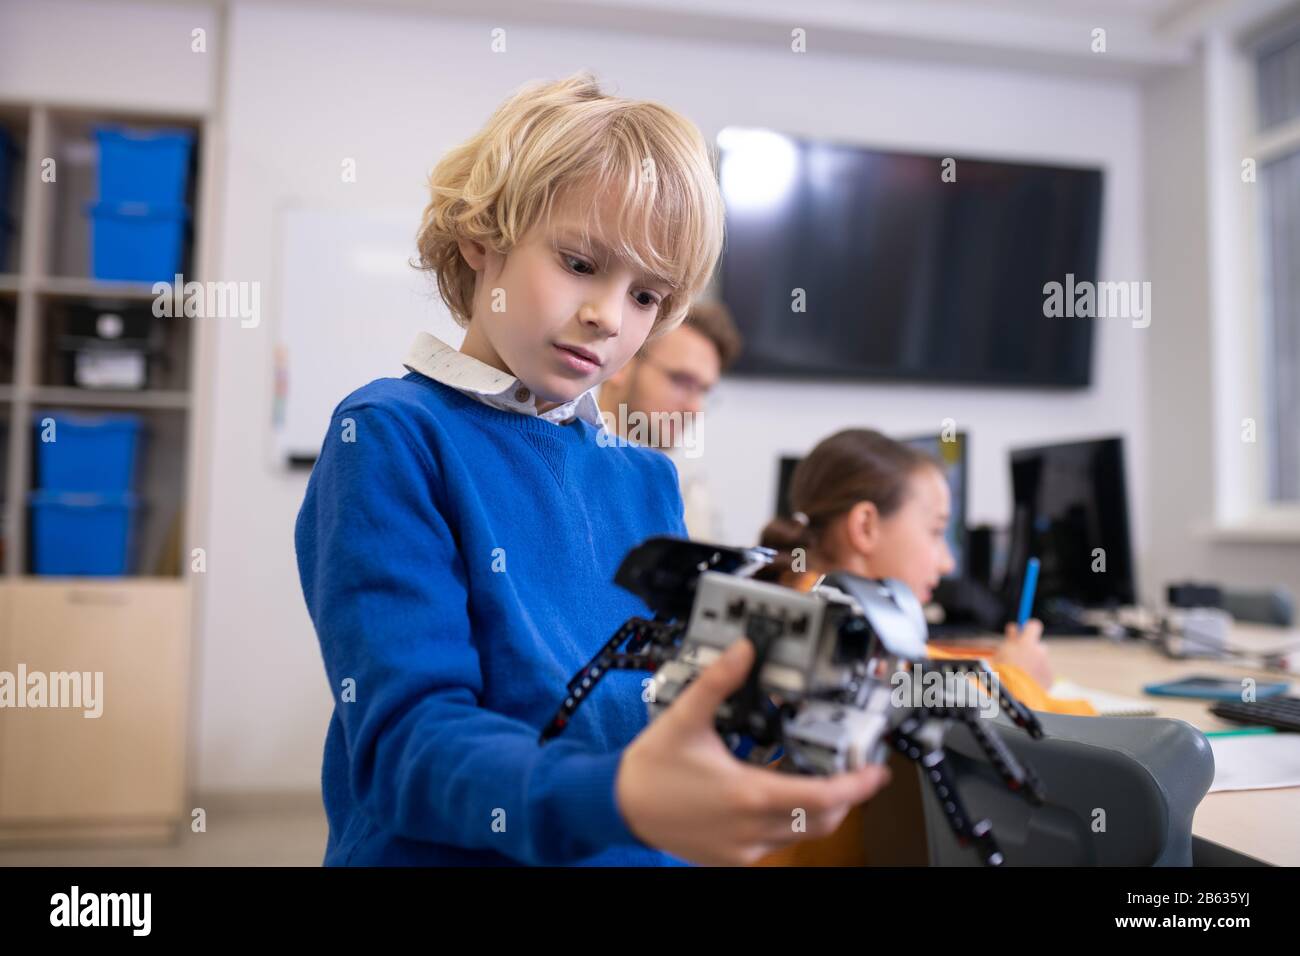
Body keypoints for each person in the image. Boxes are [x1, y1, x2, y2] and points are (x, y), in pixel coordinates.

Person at [294, 73, 891, 867]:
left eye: (647, 295)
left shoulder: (644, 478)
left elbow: (672, 713)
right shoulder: (391, 436)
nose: (610, 317)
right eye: (579, 262)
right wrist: (620, 797)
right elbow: (408, 746)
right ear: (484, 234)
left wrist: (778, 726)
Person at [597, 300, 742, 539]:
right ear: (621, 363)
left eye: (703, 391)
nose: (694, 408)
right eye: (682, 381)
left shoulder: (687, 491)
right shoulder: (562, 465)